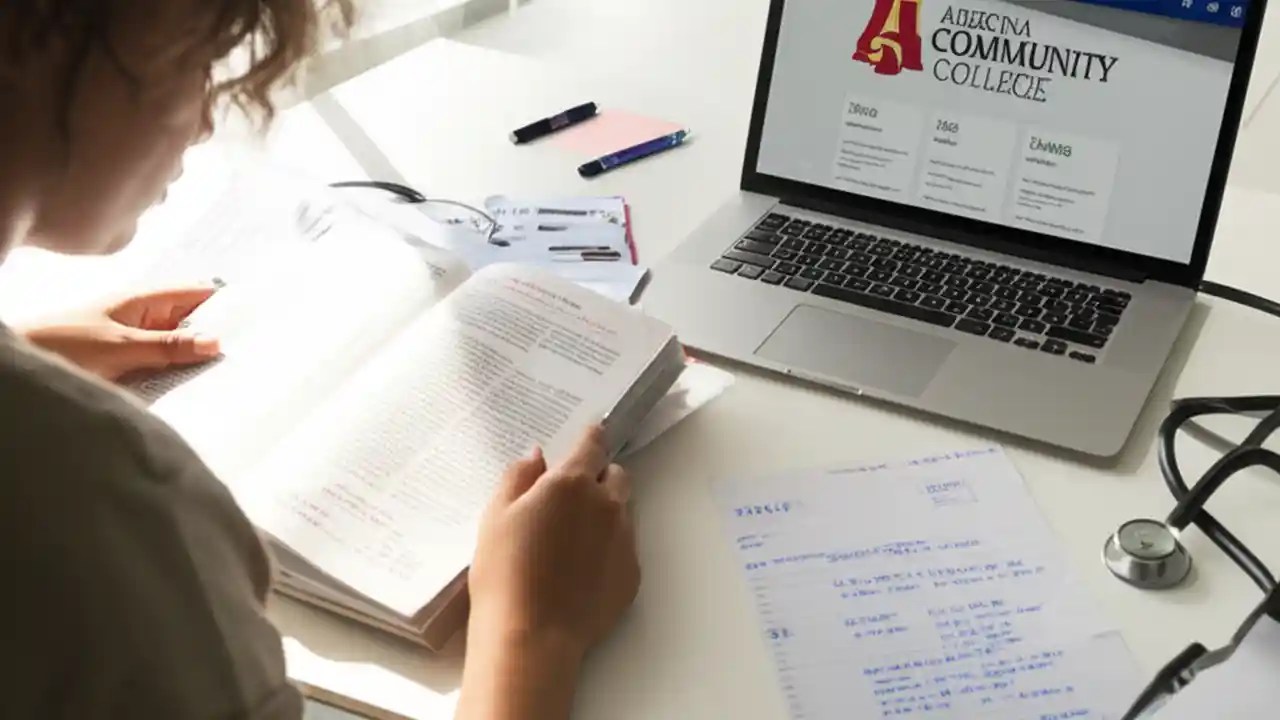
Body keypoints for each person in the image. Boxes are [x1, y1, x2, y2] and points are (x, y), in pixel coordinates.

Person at [0, 2, 641, 718]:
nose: (207, 118)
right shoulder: (99, 499)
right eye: (198, 60)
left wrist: (24, 352)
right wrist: (531, 636)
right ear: (38, 42)